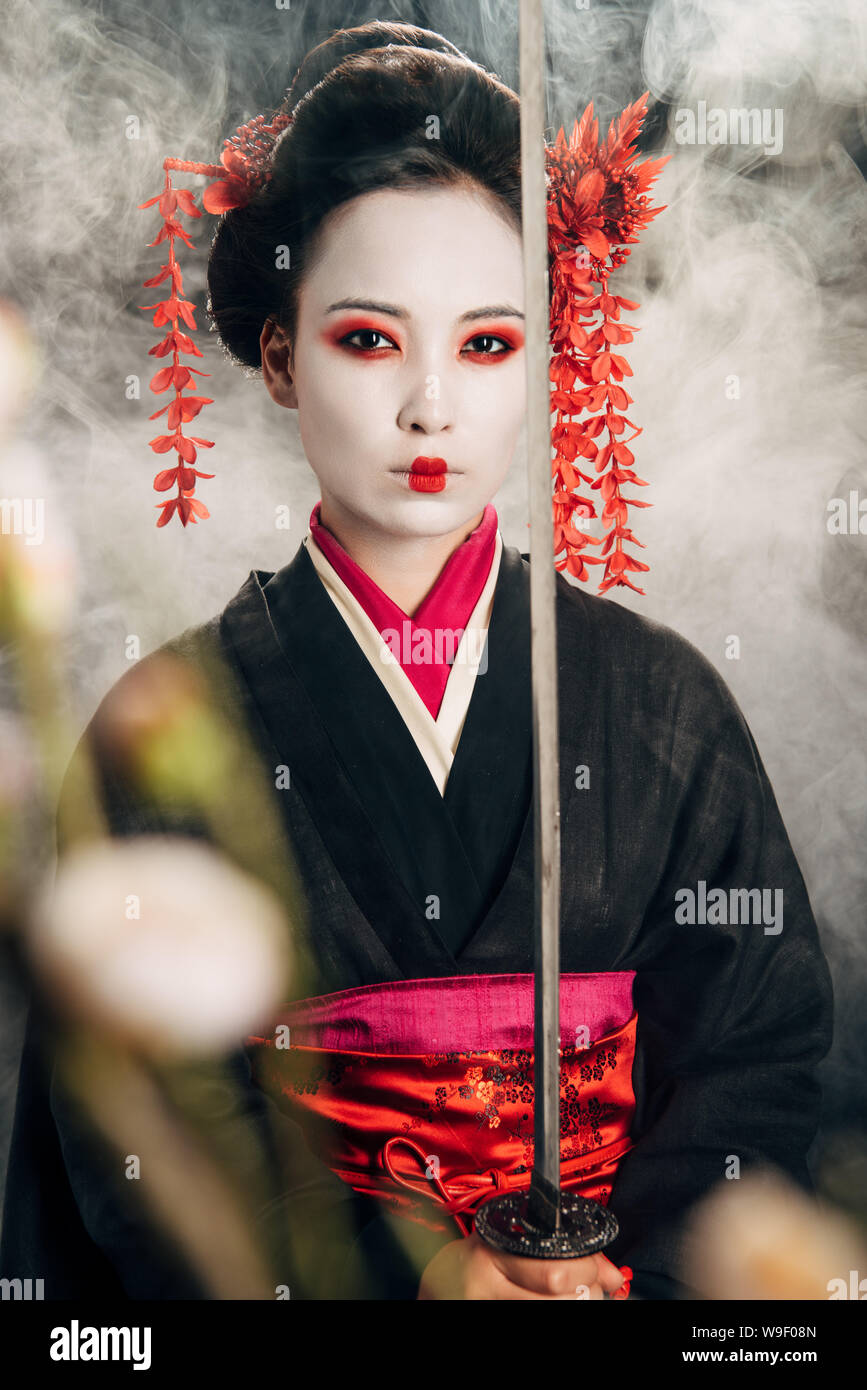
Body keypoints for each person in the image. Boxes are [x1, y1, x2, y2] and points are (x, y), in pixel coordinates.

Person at [0, 21, 833, 1301]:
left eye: (488, 344)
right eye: (370, 340)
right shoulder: (166, 723)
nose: (431, 406)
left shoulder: (664, 705)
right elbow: (142, 1130)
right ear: (278, 355)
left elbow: (755, 1058)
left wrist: (618, 1279)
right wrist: (425, 1278)